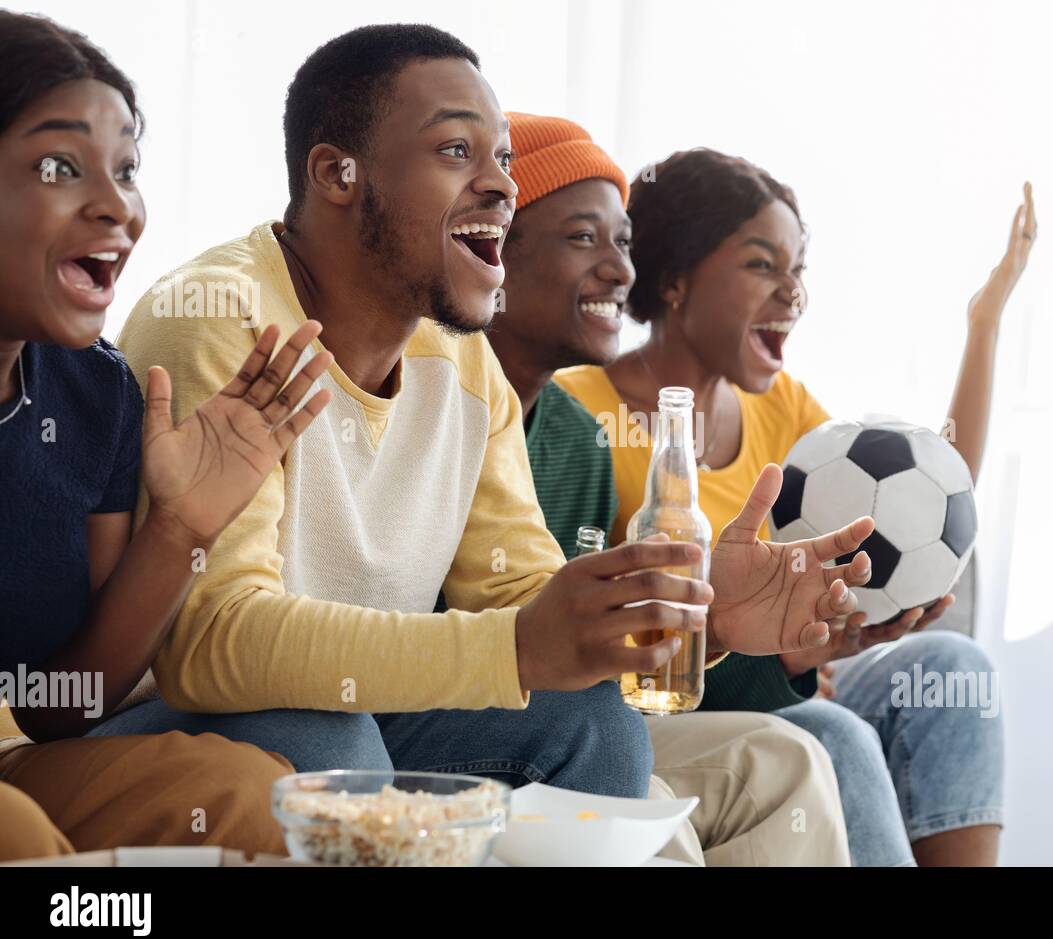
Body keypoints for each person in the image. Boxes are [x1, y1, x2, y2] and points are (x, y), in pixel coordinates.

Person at [102, 25, 870, 815]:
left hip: (353, 710)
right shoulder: (222, 316)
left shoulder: (462, 359)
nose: (502, 186)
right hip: (167, 725)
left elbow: (521, 591)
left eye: (501, 157)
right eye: (456, 152)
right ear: (337, 172)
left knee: (595, 725)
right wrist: (515, 644)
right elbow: (210, 644)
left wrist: (688, 617)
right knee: (331, 743)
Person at [560, 147, 1035, 865]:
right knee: (829, 732)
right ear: (676, 279)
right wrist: (777, 660)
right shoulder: (580, 413)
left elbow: (930, 496)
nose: (793, 294)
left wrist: (984, 324)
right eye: (761, 265)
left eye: (798, 271)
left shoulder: (781, 410)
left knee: (952, 669)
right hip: (685, 695)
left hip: (794, 676)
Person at [481, 112, 857, 865]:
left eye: (622, 243)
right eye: (584, 238)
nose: (622, 270)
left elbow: (593, 659)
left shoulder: (574, 441)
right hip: (487, 724)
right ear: (494, 251)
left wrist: (728, 632)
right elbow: (550, 659)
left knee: (789, 757)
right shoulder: (477, 402)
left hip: (572, 715)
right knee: (640, 789)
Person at [0, 12, 333, 861]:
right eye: (61, 166)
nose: (117, 207)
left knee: (260, 801)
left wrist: (183, 530)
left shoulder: (95, 392)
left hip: (17, 755)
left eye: (127, 170)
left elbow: (62, 706)